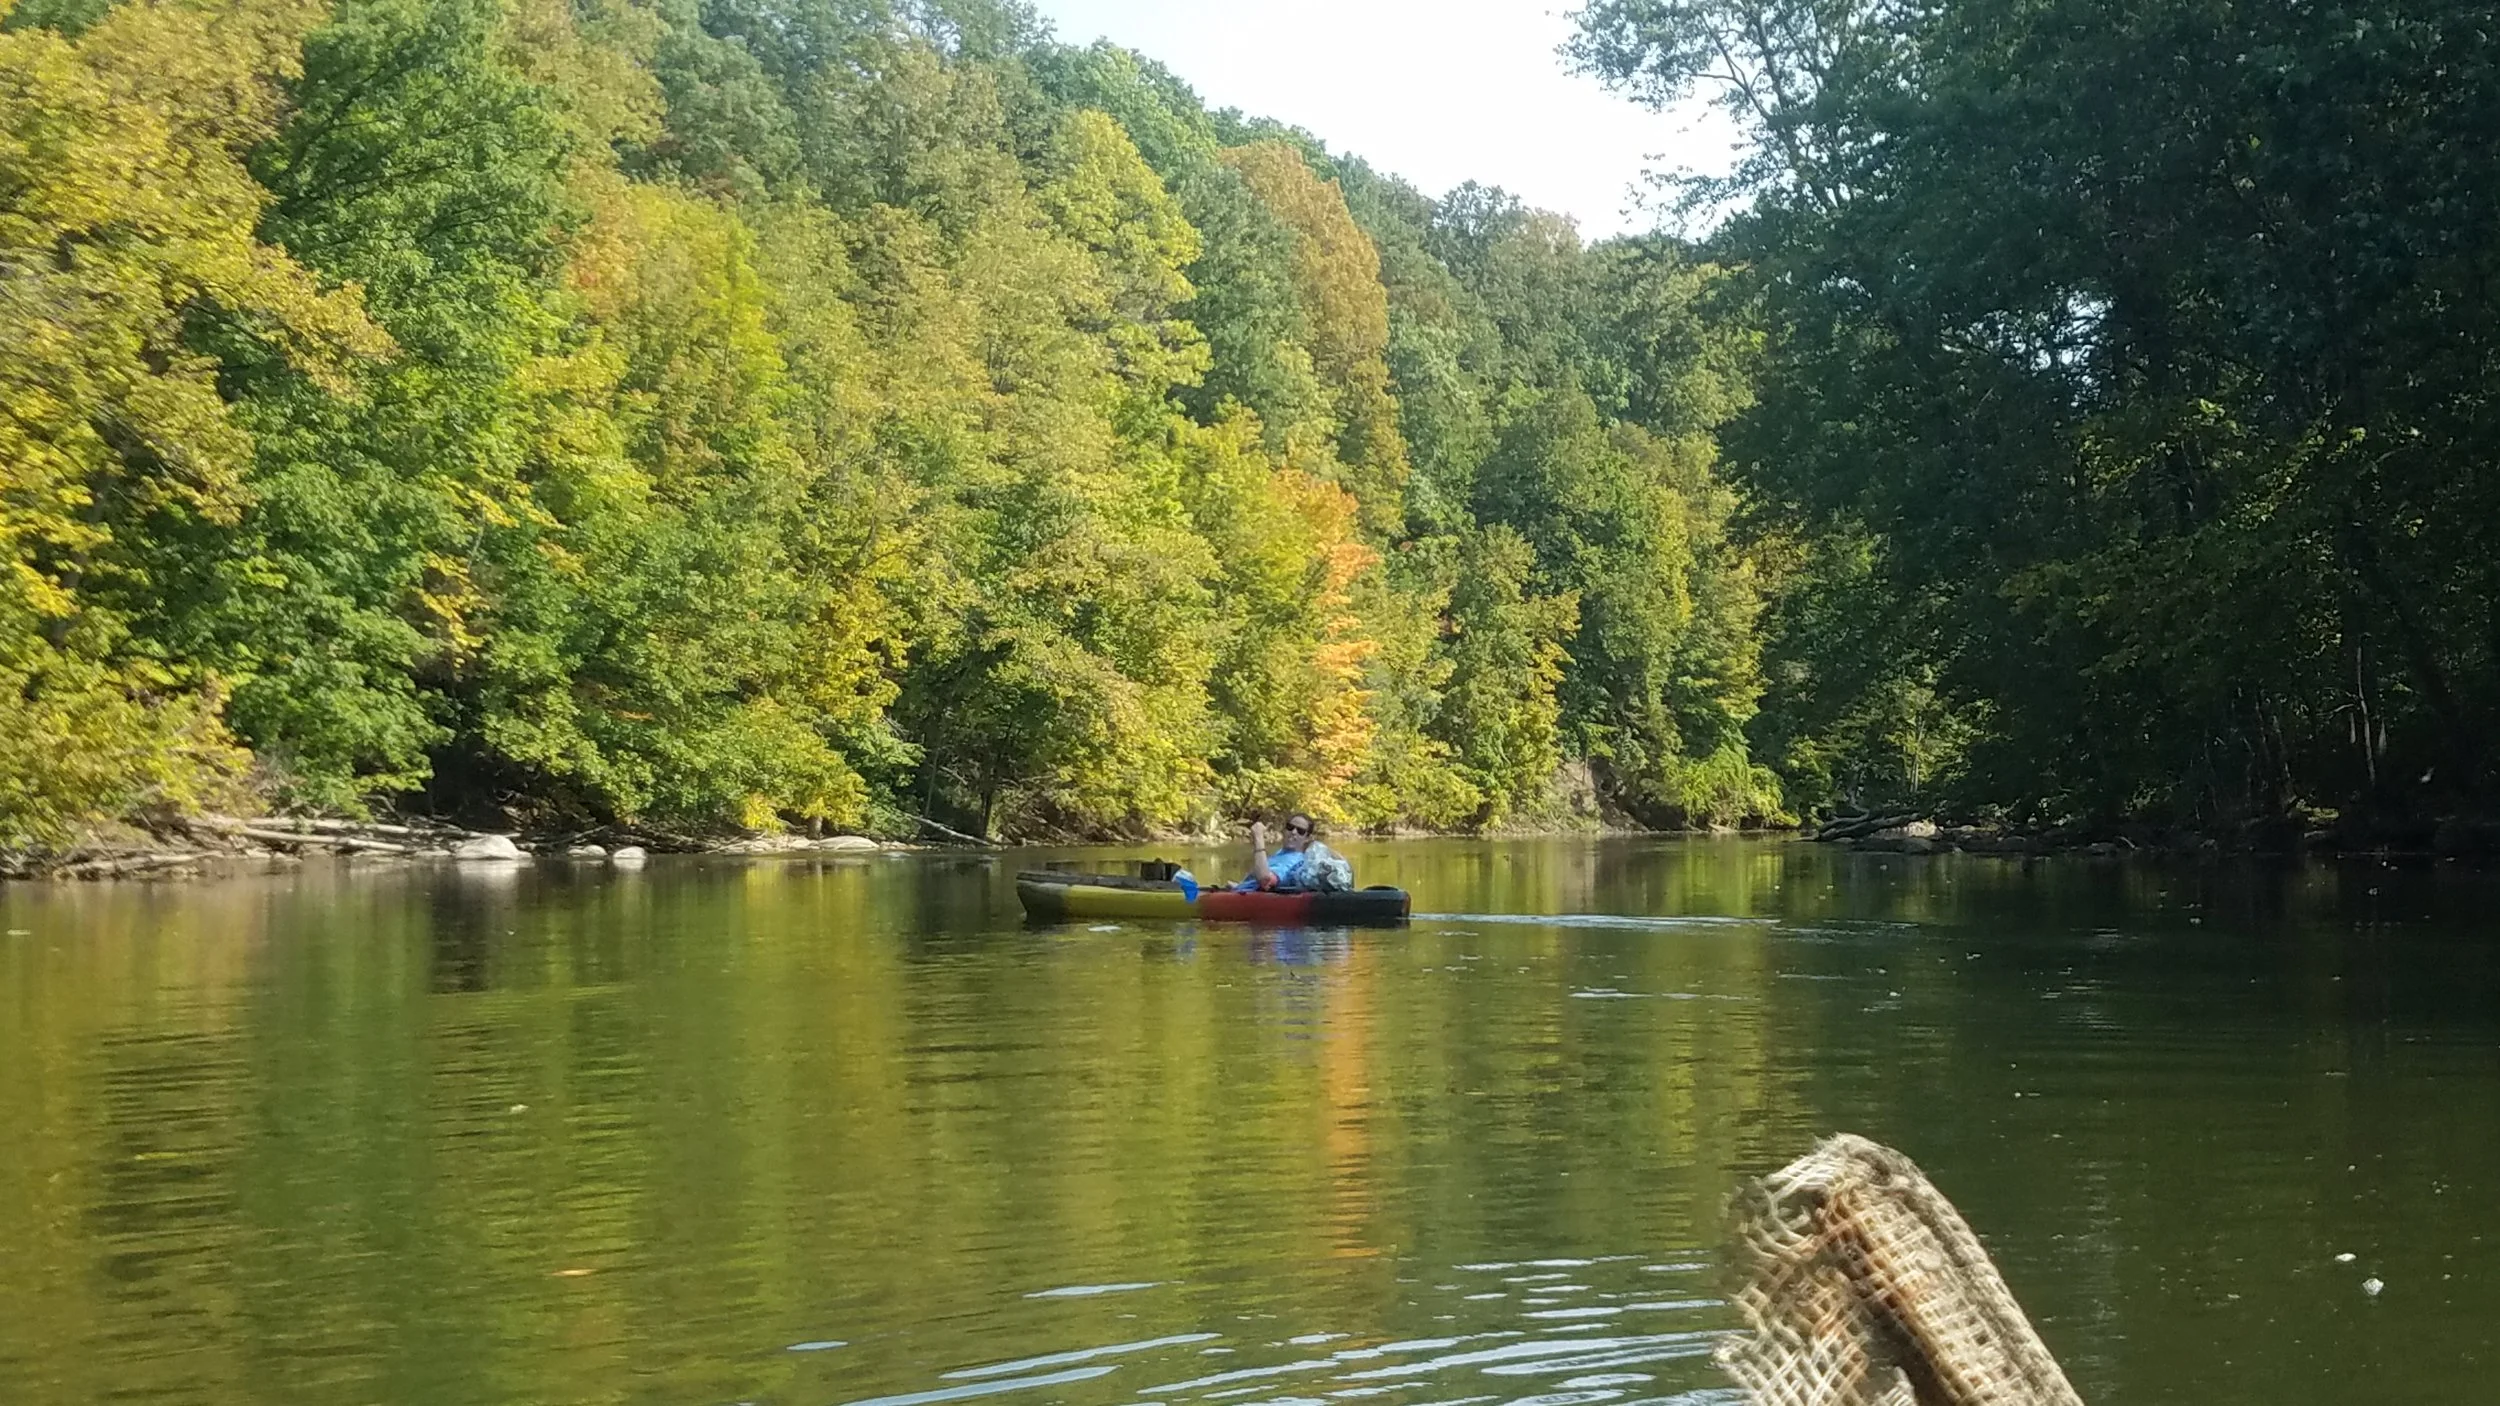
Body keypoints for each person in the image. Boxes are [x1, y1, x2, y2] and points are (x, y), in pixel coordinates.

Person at [1238, 812, 1352, 891]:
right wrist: (1239, 886)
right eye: (1290, 827)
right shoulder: (1282, 853)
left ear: (1307, 838)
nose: (1293, 832)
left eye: (1300, 831)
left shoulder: (1295, 860)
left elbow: (1265, 880)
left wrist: (1258, 838)